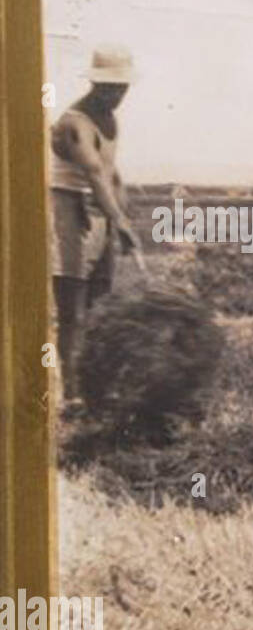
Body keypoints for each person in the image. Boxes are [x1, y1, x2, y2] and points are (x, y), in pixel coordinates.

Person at [48, 44, 139, 406]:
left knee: (101, 304)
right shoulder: (75, 121)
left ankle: (94, 386)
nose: (118, 94)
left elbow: (113, 174)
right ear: (96, 83)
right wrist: (119, 218)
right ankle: (71, 395)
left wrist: (121, 221)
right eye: (111, 87)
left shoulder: (110, 120)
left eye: (123, 87)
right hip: (69, 215)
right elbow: (94, 172)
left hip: (101, 215)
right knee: (73, 311)